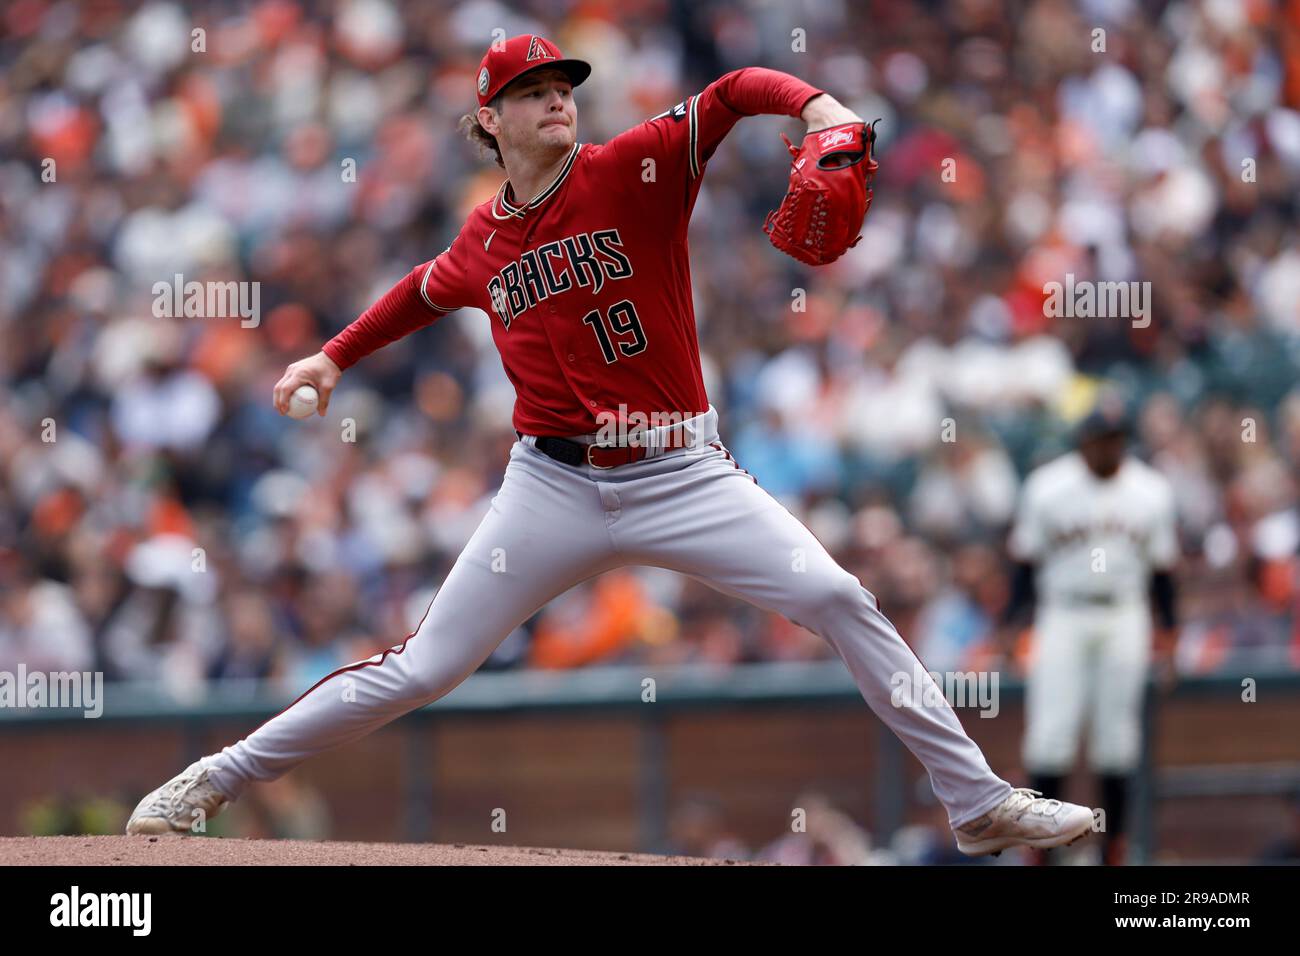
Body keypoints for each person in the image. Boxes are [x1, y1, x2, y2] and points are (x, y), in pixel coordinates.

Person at [126, 34, 1094, 857]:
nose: (557, 103)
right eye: (533, 93)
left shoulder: (632, 167)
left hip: (682, 472)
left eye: (563, 90)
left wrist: (819, 105)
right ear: (489, 121)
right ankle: (212, 780)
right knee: (422, 667)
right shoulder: (482, 240)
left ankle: (974, 802)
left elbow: (729, 94)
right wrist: (333, 358)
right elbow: (422, 288)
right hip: (550, 486)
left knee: (837, 594)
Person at [1002, 399, 1180, 864]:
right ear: (1083, 441)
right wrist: (1008, 625)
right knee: (1050, 735)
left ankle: (1113, 847)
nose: (1109, 449)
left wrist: (1171, 634)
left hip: (1125, 613)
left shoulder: (1151, 490)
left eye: (1117, 441)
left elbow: (1163, 573)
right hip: (1062, 612)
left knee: (1117, 740)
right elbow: (1024, 564)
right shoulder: (1047, 487)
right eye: (1102, 440)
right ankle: (1043, 849)